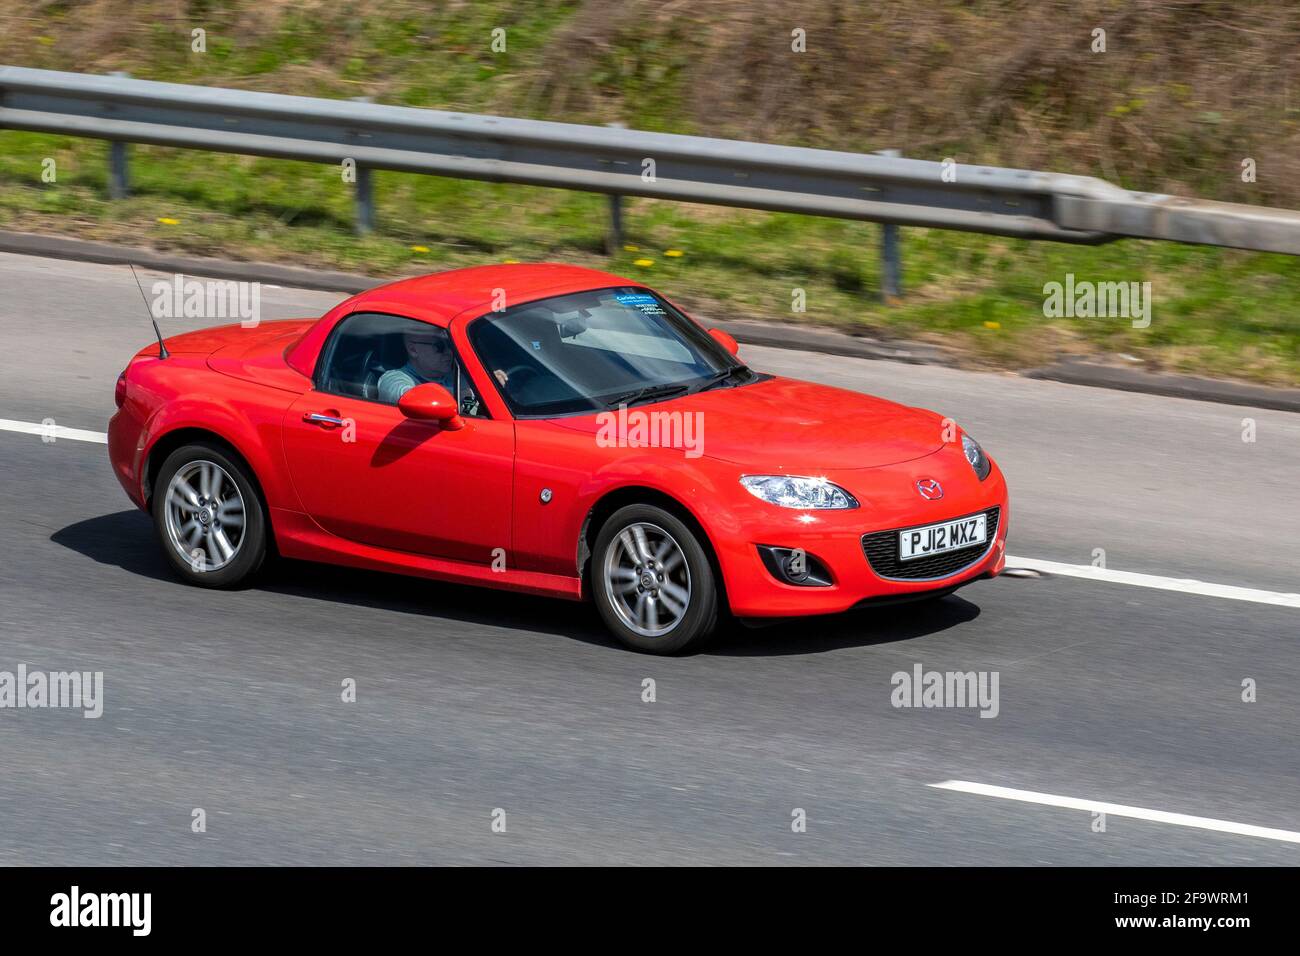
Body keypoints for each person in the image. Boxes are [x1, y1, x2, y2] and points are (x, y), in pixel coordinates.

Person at [377, 329, 457, 405]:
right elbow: (407, 397)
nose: (449, 351)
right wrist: (458, 395)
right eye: (439, 346)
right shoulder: (393, 379)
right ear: (413, 350)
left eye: (450, 344)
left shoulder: (459, 375)